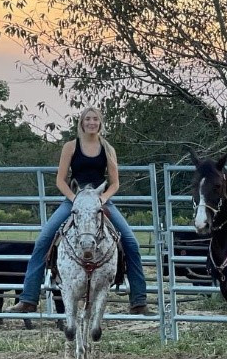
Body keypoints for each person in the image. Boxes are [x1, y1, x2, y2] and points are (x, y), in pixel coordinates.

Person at [10, 106, 149, 315]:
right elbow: (60, 180)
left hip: (101, 202)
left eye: (95, 119)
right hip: (73, 201)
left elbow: (115, 184)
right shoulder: (70, 147)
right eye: (88, 119)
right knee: (43, 240)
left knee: (131, 243)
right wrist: (75, 199)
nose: (91, 123)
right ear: (82, 123)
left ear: (100, 123)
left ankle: (138, 301)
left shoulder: (108, 149)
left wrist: (102, 199)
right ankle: (28, 298)